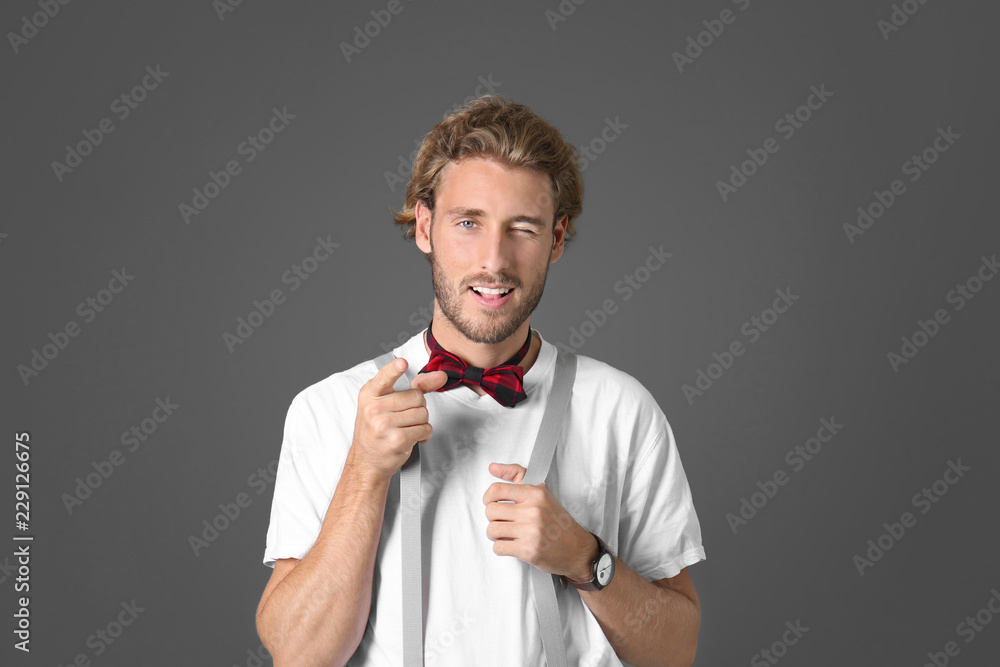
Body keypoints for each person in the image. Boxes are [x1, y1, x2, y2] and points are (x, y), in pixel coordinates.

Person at [255, 95, 706, 666]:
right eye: (468, 223)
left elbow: (675, 653)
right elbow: (299, 655)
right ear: (425, 228)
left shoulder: (623, 409)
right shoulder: (327, 409)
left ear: (557, 241)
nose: (494, 260)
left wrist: (585, 558)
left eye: (523, 228)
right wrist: (364, 472)